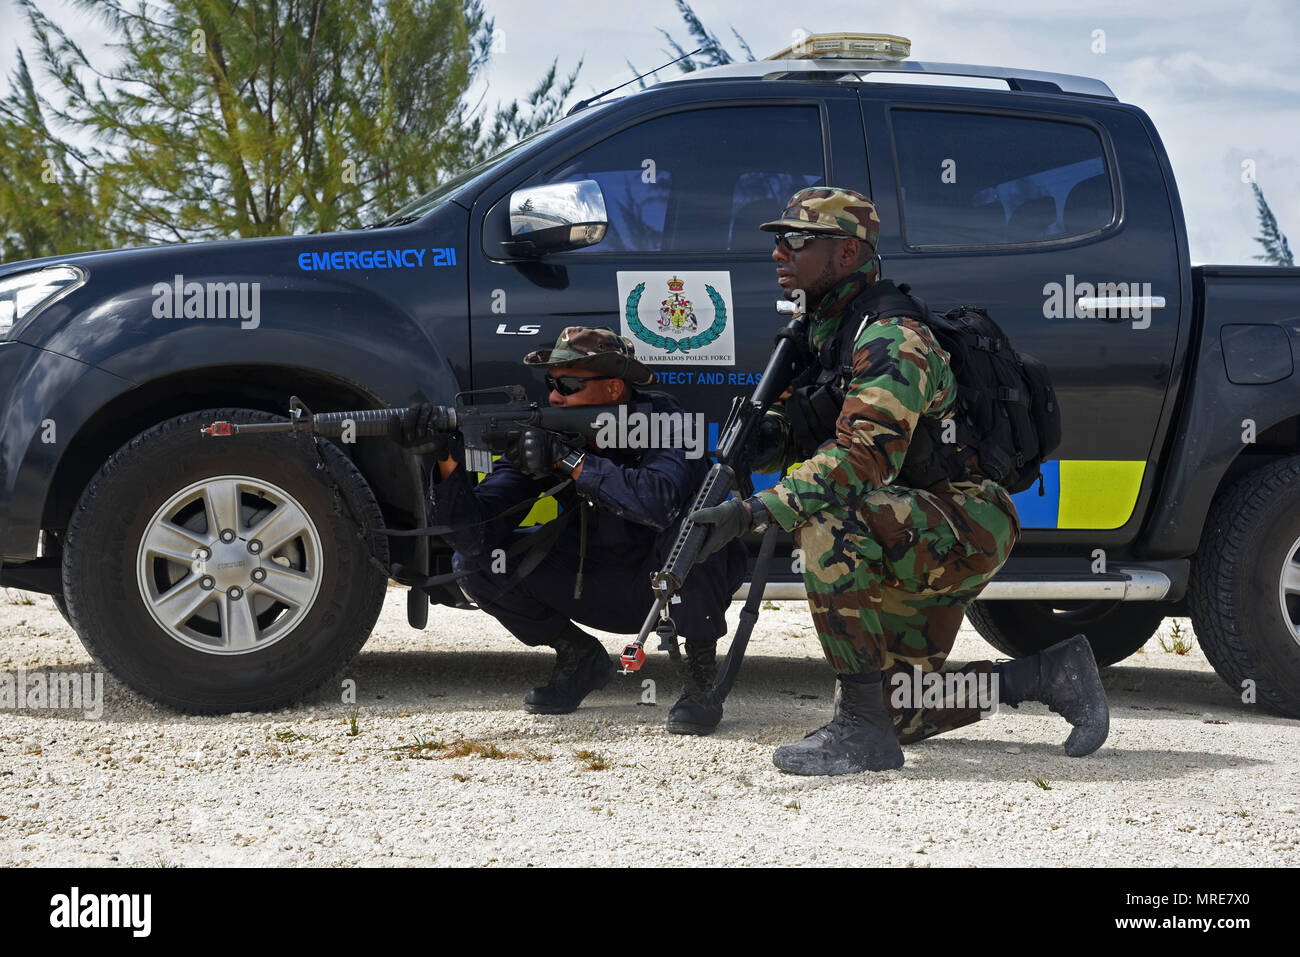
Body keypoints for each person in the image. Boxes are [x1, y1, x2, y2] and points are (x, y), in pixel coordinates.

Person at [690, 187, 1109, 775]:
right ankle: (1046, 675)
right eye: (779, 240)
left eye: (797, 240)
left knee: (827, 521)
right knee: (903, 708)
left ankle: (861, 733)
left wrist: (756, 512)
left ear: (846, 254)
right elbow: (826, 419)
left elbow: (864, 460)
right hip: (911, 518)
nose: (780, 252)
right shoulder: (824, 330)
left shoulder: (891, 336)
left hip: (962, 518)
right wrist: (771, 435)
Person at [404, 327, 746, 732]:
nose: (554, 397)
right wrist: (444, 462)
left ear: (616, 388)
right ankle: (578, 657)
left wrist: (571, 461)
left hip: (669, 585)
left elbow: (658, 502)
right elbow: (474, 535)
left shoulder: (666, 423)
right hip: (593, 582)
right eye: (551, 384)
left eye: (567, 385)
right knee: (473, 564)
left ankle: (700, 678)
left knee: (697, 530)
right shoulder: (552, 434)